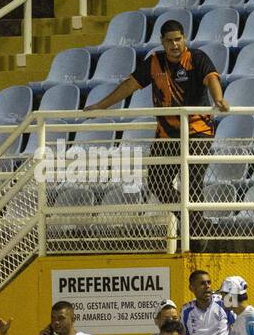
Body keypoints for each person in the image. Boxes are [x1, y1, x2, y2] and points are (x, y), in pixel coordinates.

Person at [83, 18, 228, 205]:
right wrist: (101, 105)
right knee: (157, 182)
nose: (174, 44)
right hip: (167, 133)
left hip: (198, 130)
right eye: (169, 40)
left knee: (192, 182)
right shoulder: (154, 62)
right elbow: (129, 86)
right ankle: (196, 226)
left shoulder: (197, 57)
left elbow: (211, 78)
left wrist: (219, 99)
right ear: (162, 41)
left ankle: (194, 230)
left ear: (184, 38)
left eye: (178, 39)